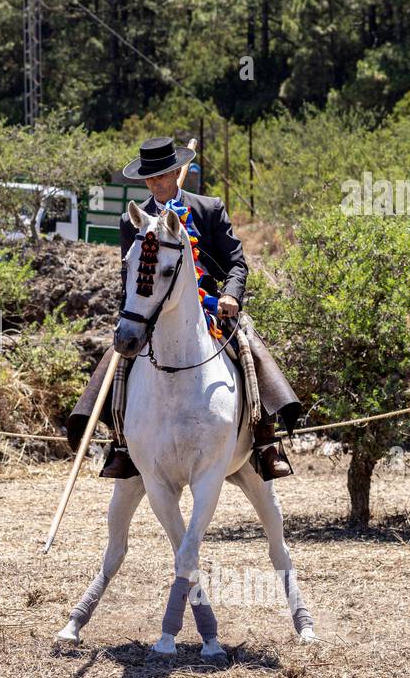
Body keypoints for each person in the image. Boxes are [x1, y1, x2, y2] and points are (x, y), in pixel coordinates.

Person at [67, 136, 300, 481]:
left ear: (177, 173)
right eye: (149, 178)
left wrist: (232, 296)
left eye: (161, 176)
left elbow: (236, 263)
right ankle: (122, 444)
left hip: (209, 308)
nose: (155, 183)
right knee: (116, 359)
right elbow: (128, 275)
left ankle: (265, 441)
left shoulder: (208, 209)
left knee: (248, 347)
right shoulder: (133, 220)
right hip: (149, 313)